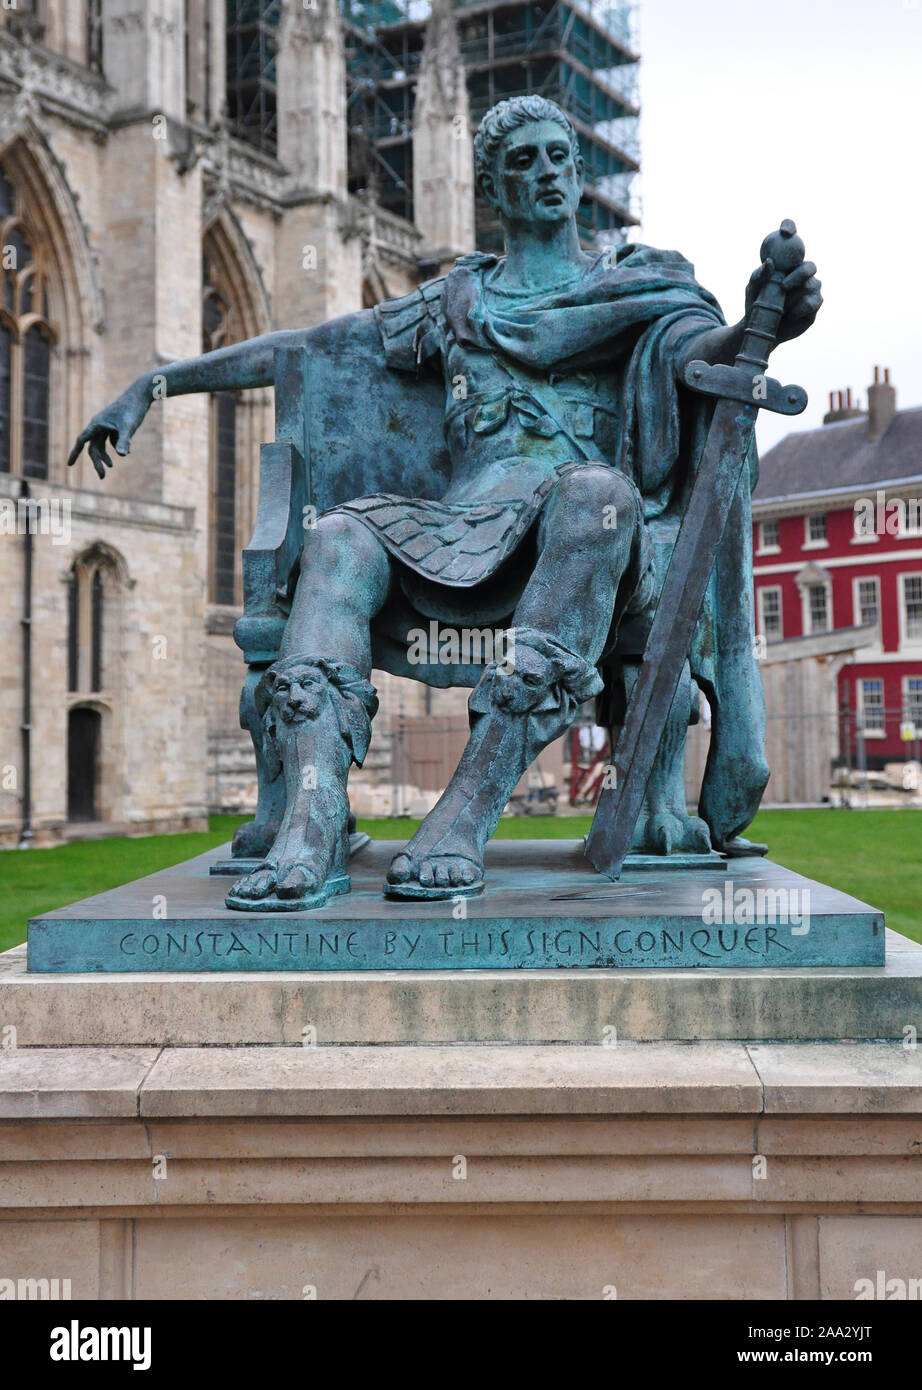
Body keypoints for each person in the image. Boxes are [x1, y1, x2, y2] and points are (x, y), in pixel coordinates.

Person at [70, 96, 821, 909]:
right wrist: (158, 381)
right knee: (340, 540)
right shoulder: (457, 303)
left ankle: (466, 809)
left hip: (586, 533)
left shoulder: (635, 286)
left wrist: (756, 326)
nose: (547, 173)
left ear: (578, 174)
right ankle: (314, 819)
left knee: (598, 497)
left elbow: (699, 356)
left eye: (558, 157)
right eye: (523, 162)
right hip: (462, 525)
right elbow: (309, 351)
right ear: (492, 193)